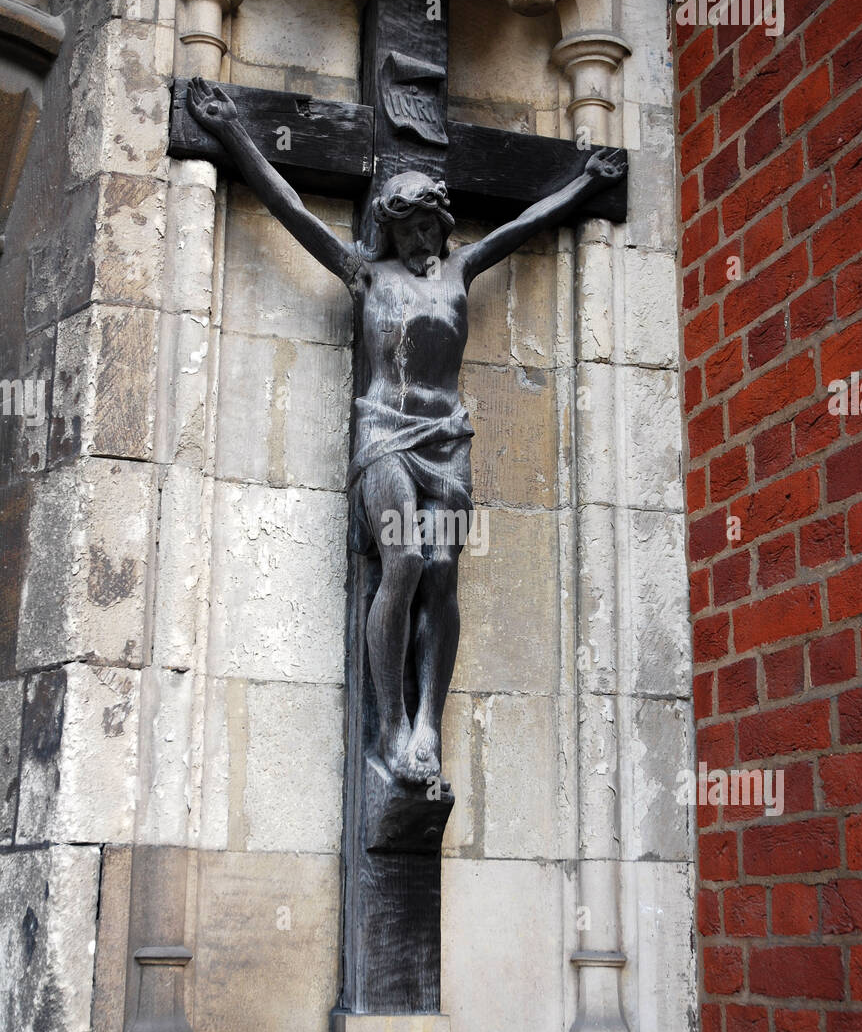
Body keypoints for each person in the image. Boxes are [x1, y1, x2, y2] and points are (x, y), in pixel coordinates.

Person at [187, 77, 626, 785]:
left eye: (432, 224)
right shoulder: (365, 275)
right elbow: (293, 209)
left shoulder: (459, 269)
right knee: (407, 561)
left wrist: (582, 186)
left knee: (445, 572)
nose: (426, 236)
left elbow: (523, 226)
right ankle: (391, 725)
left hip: (447, 442)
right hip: (385, 436)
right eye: (412, 226)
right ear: (391, 229)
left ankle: (428, 724)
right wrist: (232, 131)